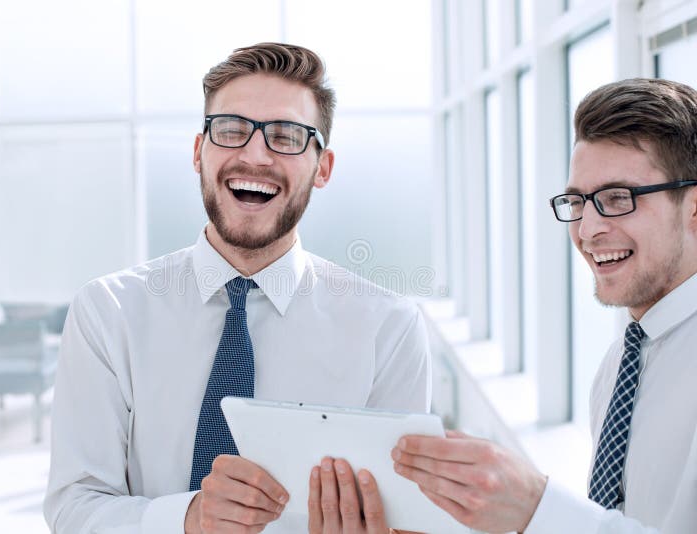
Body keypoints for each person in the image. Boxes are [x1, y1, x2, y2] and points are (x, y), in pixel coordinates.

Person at [43, 42, 429, 534]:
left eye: (287, 136)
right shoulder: (107, 312)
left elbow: (402, 517)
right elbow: (74, 508)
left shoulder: (388, 330)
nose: (254, 155)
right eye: (231, 130)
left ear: (323, 167)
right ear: (199, 152)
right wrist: (189, 518)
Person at [389, 77, 697, 533]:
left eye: (616, 198)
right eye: (578, 201)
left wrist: (537, 508)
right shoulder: (621, 364)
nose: (587, 229)